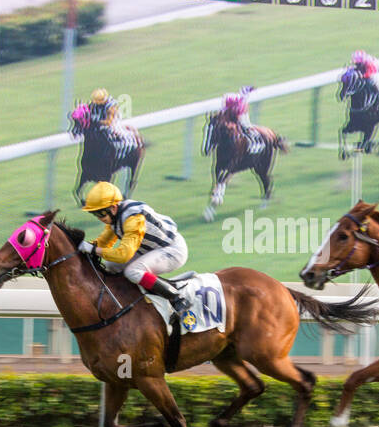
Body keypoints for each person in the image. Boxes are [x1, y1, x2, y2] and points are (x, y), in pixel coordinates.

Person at [78, 181, 191, 315]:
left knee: (133, 271)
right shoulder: (115, 218)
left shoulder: (132, 218)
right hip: (151, 249)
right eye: (95, 213)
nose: (99, 217)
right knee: (111, 264)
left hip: (172, 250)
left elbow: (124, 255)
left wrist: (93, 250)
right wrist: (84, 246)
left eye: (101, 213)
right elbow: (103, 243)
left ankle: (176, 297)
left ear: (113, 207)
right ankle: (133, 297)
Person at [219, 87, 266, 155]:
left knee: (246, 126)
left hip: (242, 110)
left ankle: (257, 141)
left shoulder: (241, 105)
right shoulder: (226, 101)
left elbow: (238, 115)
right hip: (235, 104)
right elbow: (224, 112)